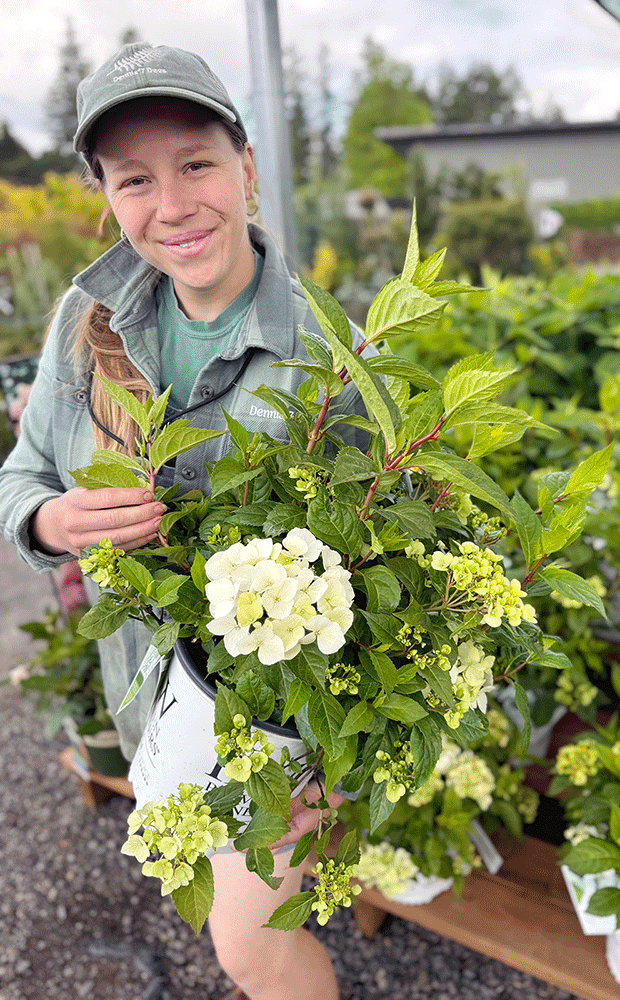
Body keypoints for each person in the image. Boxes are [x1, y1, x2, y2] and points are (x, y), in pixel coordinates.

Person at [0, 42, 371, 1000]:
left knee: (252, 950)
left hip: (280, 739)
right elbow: (22, 478)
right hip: (147, 703)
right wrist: (54, 521)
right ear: (105, 194)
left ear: (245, 164)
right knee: (221, 925)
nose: (171, 206)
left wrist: (342, 769)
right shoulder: (88, 323)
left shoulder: (333, 355)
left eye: (196, 164)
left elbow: (391, 577)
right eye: (134, 179)